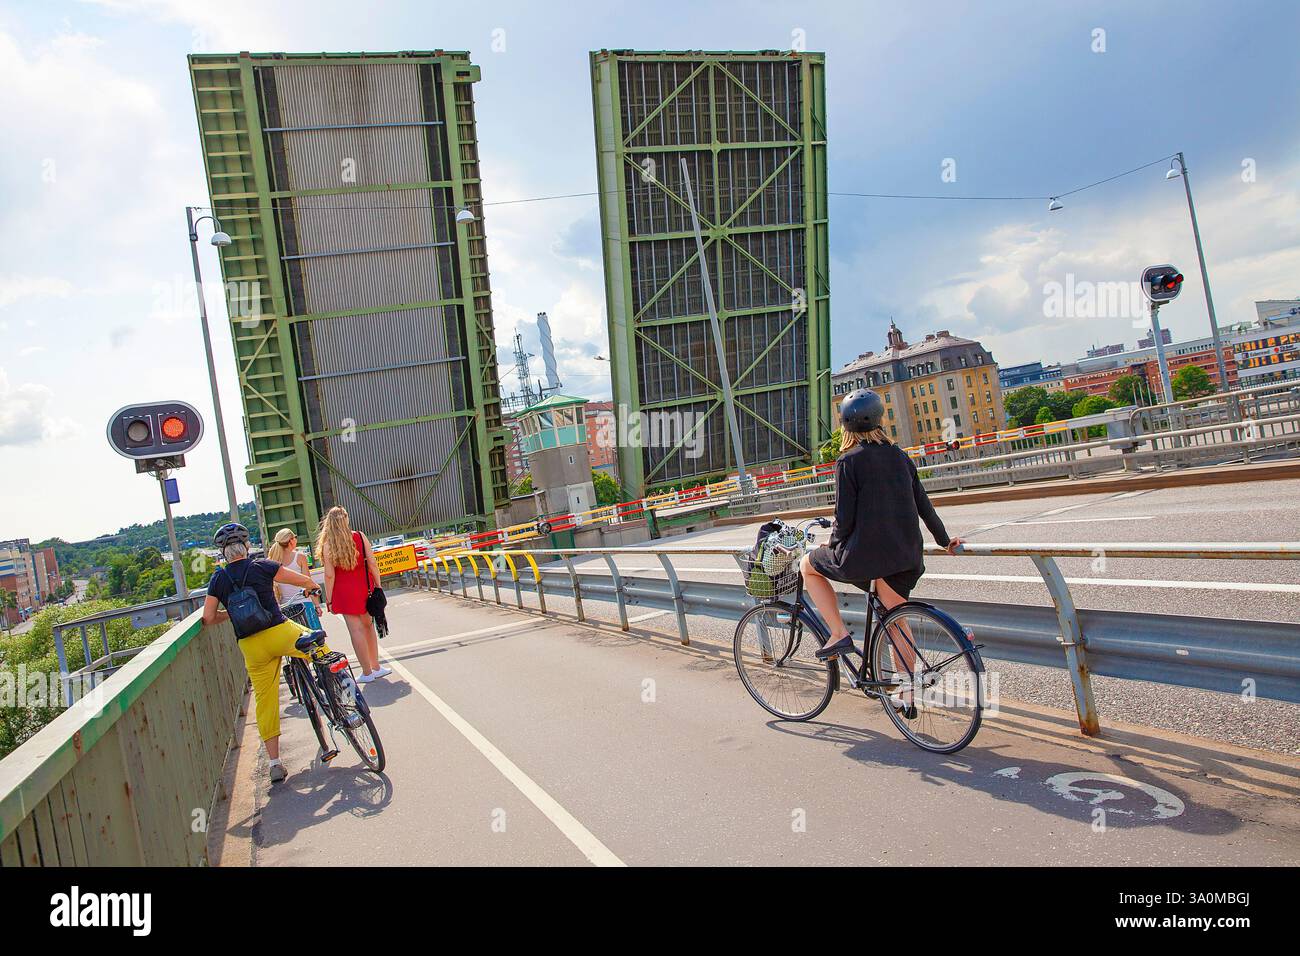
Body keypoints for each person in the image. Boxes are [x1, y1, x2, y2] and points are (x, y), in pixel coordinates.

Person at [800, 389, 964, 703]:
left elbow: (843, 518)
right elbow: (924, 506)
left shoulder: (848, 461)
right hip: (907, 555)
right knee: (896, 620)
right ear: (879, 418)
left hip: (869, 558)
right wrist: (944, 541)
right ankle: (907, 694)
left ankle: (839, 633)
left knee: (808, 566)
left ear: (845, 425)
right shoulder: (900, 455)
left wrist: (832, 544)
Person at [202, 522, 335, 783]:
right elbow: (300, 580)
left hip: (250, 645)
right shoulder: (261, 566)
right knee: (319, 647)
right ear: (247, 546)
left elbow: (207, 618)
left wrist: (234, 612)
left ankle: (275, 763)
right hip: (278, 631)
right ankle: (334, 691)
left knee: (265, 700)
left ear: (223, 553)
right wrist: (311, 587)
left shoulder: (218, 579)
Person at [315, 506, 390, 684]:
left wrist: (329, 598)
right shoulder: (359, 536)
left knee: (355, 630)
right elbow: (372, 563)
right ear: (345, 520)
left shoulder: (328, 545)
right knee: (368, 626)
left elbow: (329, 575)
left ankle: (366, 672)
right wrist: (378, 585)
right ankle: (376, 667)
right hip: (365, 588)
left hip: (344, 592)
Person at [267, 527, 321, 627]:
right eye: (294, 537)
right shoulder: (300, 557)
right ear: (291, 541)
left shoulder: (272, 562)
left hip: (286, 608)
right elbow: (308, 583)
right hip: (304, 603)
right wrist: (317, 606)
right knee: (316, 638)